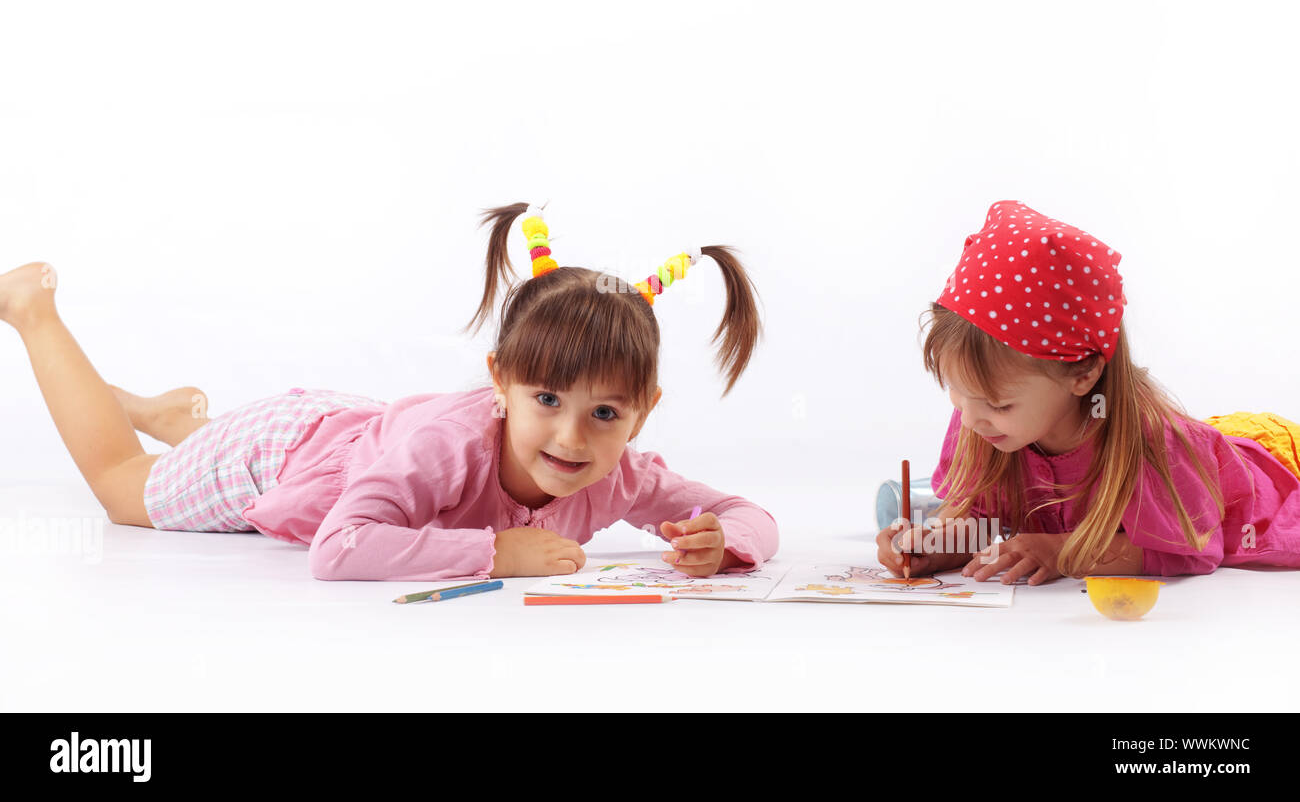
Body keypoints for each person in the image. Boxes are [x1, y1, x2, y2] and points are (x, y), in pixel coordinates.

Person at [0, 202, 778, 581]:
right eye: (547, 401)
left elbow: (754, 516)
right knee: (121, 490)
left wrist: (725, 544)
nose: (572, 439)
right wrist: (495, 552)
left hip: (360, 434)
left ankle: (180, 418)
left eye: (605, 414)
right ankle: (34, 311)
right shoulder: (444, 449)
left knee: (188, 452)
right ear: (500, 382)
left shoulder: (628, 474)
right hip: (283, 453)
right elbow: (337, 552)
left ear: (644, 414)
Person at [877, 200, 1300, 584]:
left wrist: (1065, 551)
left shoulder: (1151, 447)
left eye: (999, 404)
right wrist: (939, 546)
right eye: (955, 392)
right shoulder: (982, 416)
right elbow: (995, 527)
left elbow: (1195, 549)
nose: (968, 418)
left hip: (1267, 475)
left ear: (1083, 376)